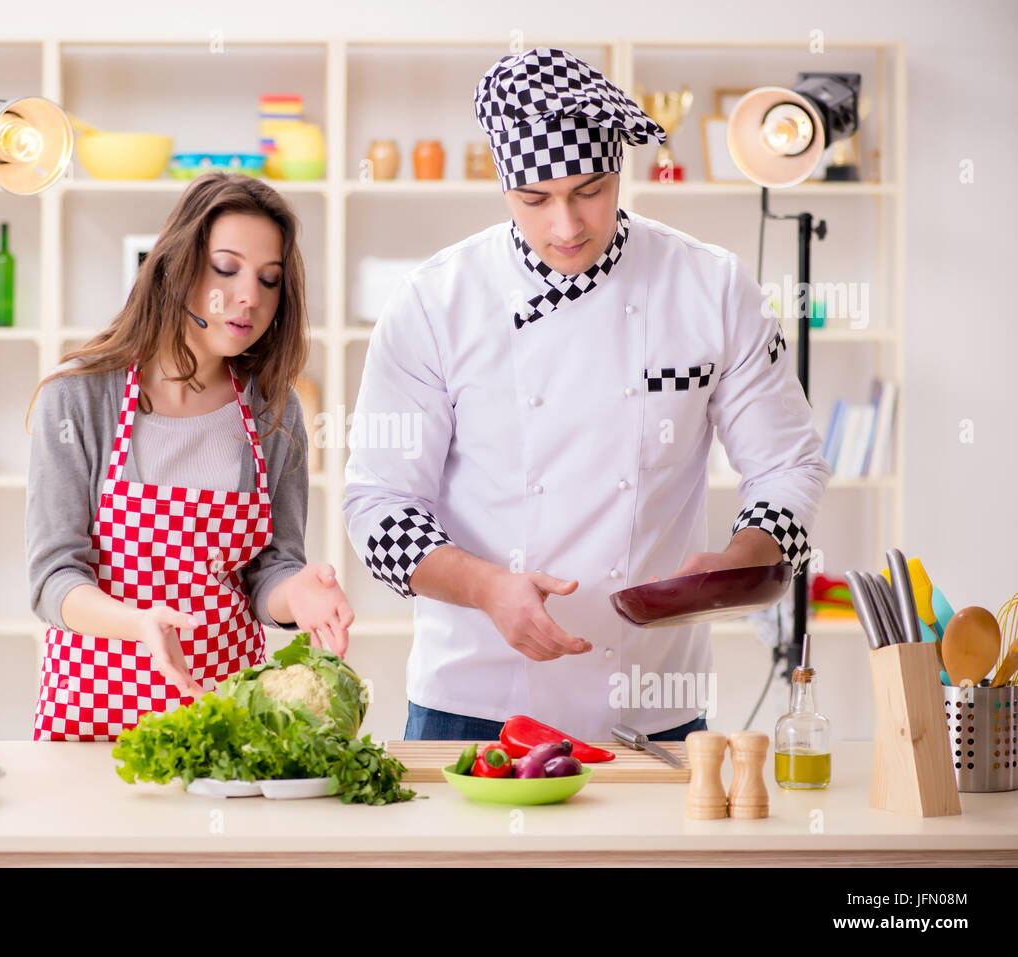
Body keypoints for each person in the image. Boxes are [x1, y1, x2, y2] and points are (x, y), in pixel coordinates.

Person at [343, 48, 832, 743]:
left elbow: (789, 466)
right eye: (535, 199)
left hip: (654, 697)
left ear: (620, 171)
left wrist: (742, 555)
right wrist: (488, 587)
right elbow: (376, 505)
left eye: (589, 190)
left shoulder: (713, 288)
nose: (565, 226)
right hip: (472, 699)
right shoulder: (434, 300)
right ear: (503, 184)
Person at [26, 172, 353, 741]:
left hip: (227, 724)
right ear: (177, 269)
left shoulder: (276, 411)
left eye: (269, 280)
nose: (249, 296)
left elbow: (268, 570)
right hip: (93, 724)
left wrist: (295, 593)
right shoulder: (77, 399)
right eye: (226, 268)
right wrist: (137, 624)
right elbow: (53, 578)